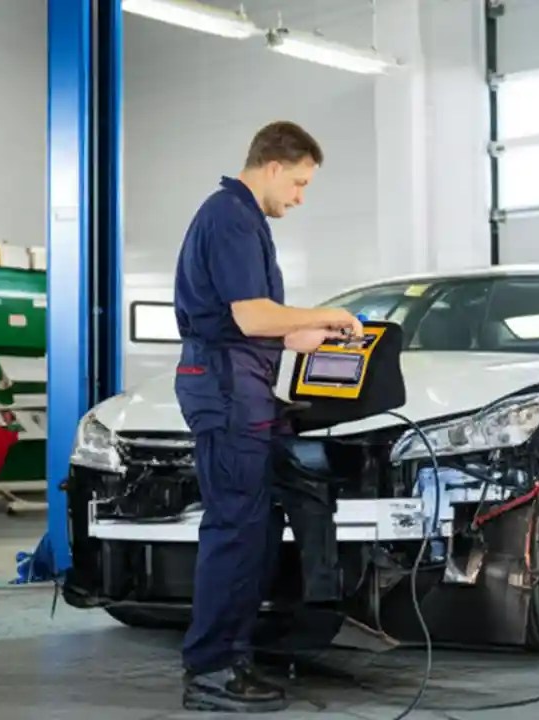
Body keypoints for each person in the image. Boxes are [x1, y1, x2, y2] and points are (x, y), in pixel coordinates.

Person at [171, 120, 362, 713]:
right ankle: (211, 670)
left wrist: (299, 337)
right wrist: (330, 315)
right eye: (301, 183)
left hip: (241, 380)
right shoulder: (231, 214)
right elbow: (252, 316)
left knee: (253, 524)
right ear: (275, 166)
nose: (301, 197)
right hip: (228, 388)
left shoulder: (241, 218)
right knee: (235, 527)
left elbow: (249, 324)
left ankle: (237, 653)